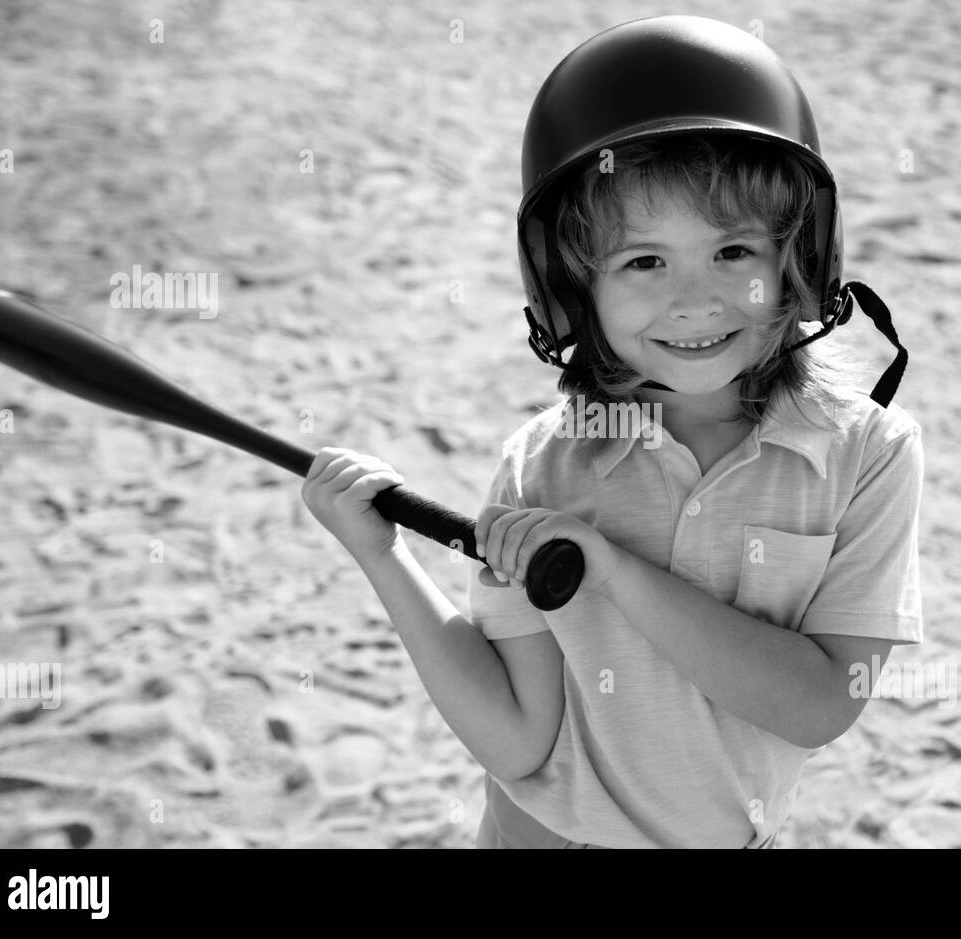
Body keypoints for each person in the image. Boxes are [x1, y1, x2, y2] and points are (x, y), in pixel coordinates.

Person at [302, 15, 923, 849]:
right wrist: (383, 556)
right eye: (643, 262)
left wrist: (614, 572)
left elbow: (818, 704)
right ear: (571, 288)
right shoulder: (544, 464)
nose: (694, 301)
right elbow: (516, 739)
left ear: (797, 257)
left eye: (735, 250)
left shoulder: (866, 453)